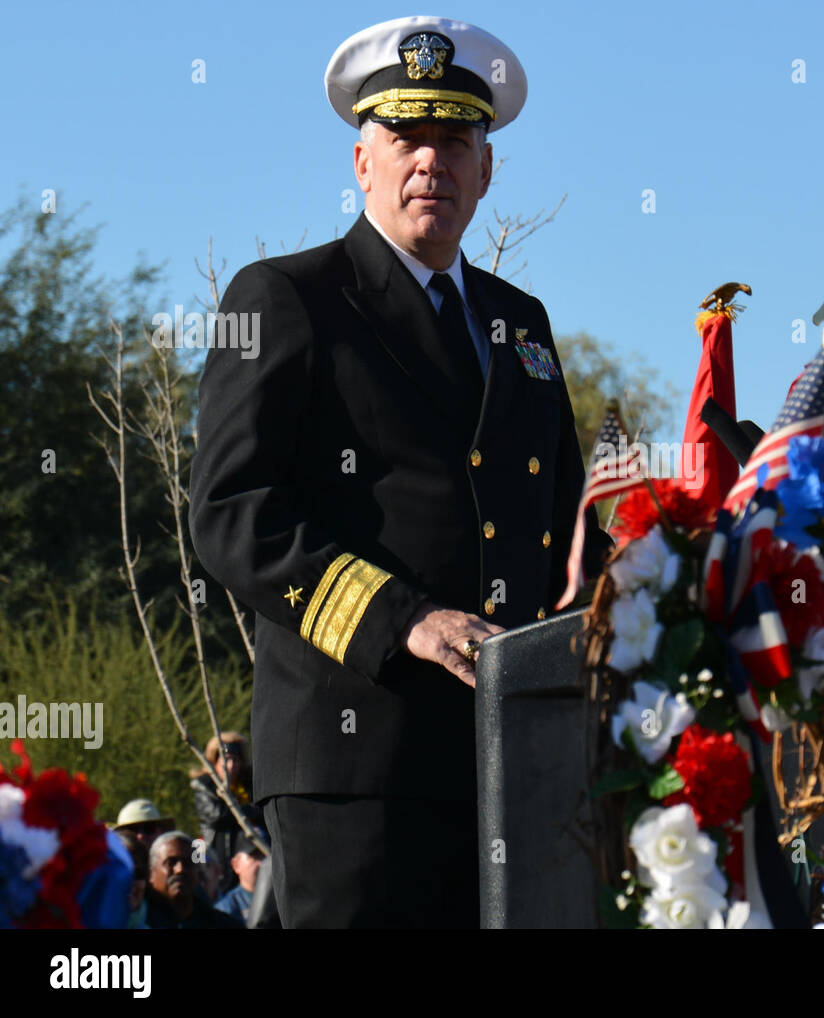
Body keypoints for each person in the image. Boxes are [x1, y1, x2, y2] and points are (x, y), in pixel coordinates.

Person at [188, 16, 608, 929]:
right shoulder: (281, 297)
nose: (432, 163)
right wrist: (404, 619)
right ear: (361, 162)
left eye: (455, 140)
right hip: (356, 772)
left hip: (518, 762)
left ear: (487, 170)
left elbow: (573, 527)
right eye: (406, 138)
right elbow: (229, 512)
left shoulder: (520, 322)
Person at [189, 732, 262, 896]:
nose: (231, 766)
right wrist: (250, 810)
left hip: (246, 853)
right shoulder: (204, 785)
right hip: (213, 852)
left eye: (235, 760)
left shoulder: (249, 786)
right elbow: (217, 815)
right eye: (226, 759)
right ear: (215, 762)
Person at [143, 832, 244, 930]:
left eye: (188, 863)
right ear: (151, 873)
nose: (180, 869)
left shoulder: (224, 925)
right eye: (171, 863)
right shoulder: (137, 921)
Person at [214, 831, 266, 925]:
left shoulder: (282, 898)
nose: (262, 863)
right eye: (254, 856)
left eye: (264, 855)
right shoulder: (225, 910)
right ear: (236, 864)